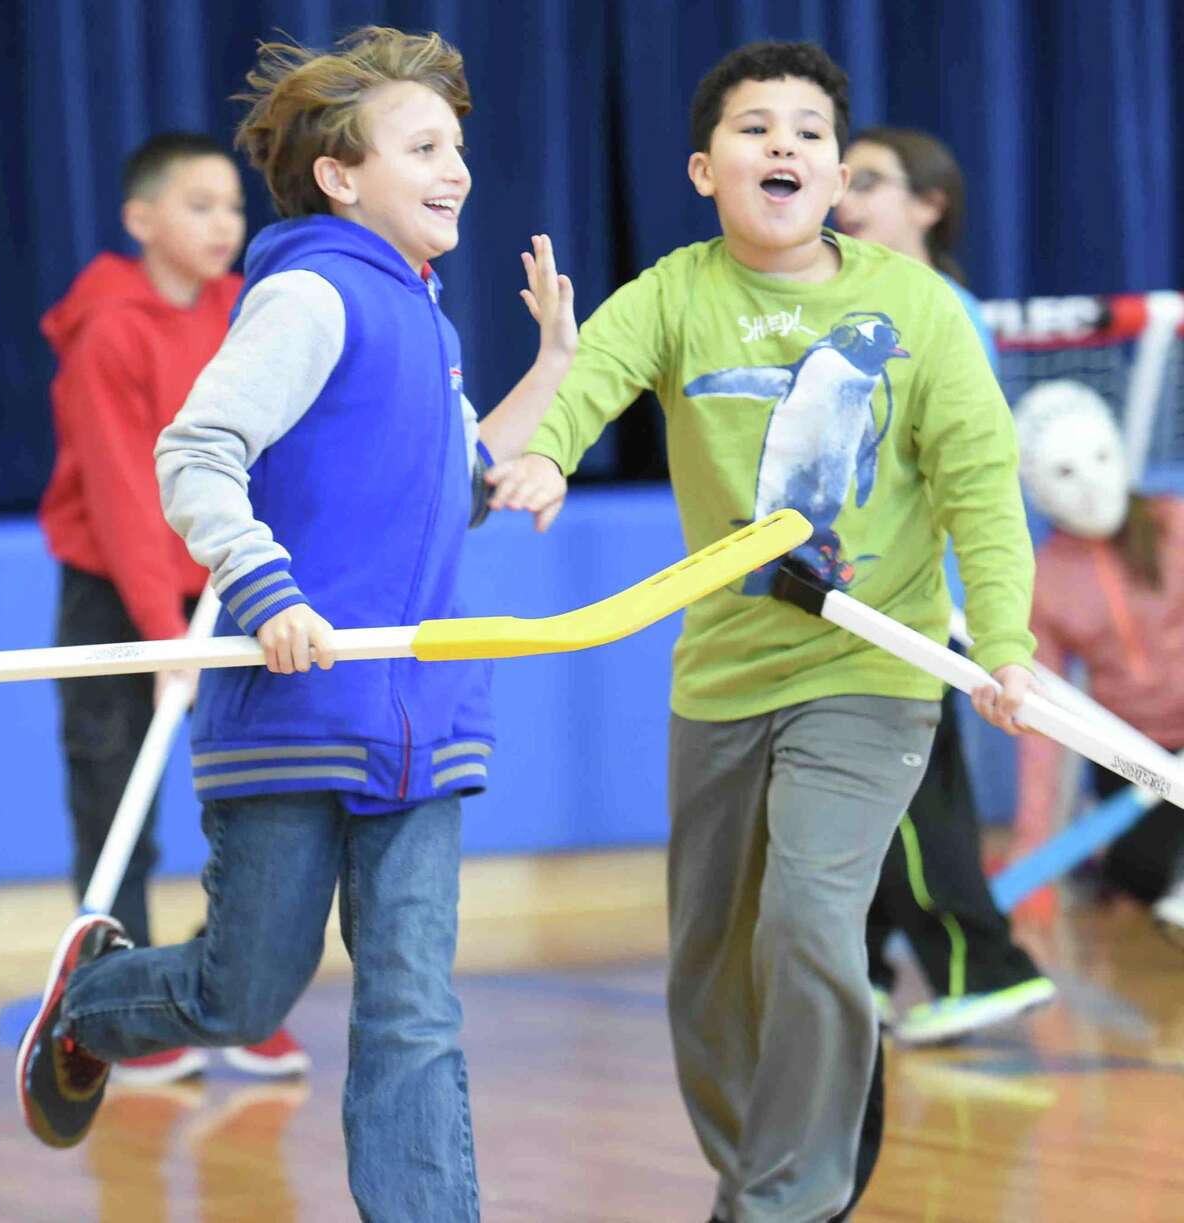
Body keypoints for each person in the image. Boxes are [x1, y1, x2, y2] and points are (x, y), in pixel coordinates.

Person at [17, 25, 577, 1221]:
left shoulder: (431, 321)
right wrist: (268, 588)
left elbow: (451, 485)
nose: (458, 167)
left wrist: (551, 377)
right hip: (297, 705)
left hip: (422, 719)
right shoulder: (315, 292)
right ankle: (91, 1005)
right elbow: (198, 450)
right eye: (423, 144)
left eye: (459, 145)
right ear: (340, 174)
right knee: (244, 989)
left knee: (413, 1005)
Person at [487, 40, 1036, 1223]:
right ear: (701, 168)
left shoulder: (918, 309)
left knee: (809, 915)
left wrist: (1004, 641)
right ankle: (773, 1163)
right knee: (708, 974)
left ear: (839, 176)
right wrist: (544, 453)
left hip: (871, 668)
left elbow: (983, 486)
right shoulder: (676, 292)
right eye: (754, 127)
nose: (783, 143)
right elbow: (596, 375)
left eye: (808, 131)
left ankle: (787, 1195)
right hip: (723, 676)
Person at [38, 131, 307, 1084]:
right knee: (118, 800)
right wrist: (161, 638)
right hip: (117, 590)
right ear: (140, 220)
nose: (225, 224)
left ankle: (231, 994)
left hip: (226, 585)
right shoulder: (108, 327)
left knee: (260, 795)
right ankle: (114, 1014)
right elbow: (120, 490)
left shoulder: (250, 314)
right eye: (199, 206)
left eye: (234, 206)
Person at [835, 128, 1055, 1045]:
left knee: (913, 791)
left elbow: (964, 474)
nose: (847, 197)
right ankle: (867, 973)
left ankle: (979, 966)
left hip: (919, 597)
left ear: (930, 203)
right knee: (859, 793)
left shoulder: (943, 311)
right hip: (852, 589)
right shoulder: (846, 301)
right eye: (843, 180)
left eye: (872, 182)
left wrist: (968, 605)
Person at [1012, 381, 1184, 940]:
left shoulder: (1173, 524)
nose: (1090, 485)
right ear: (1037, 488)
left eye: (1101, 457)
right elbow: (1041, 720)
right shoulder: (1043, 578)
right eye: (1064, 472)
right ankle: (1112, 856)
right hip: (1134, 760)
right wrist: (1032, 849)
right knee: (1144, 879)